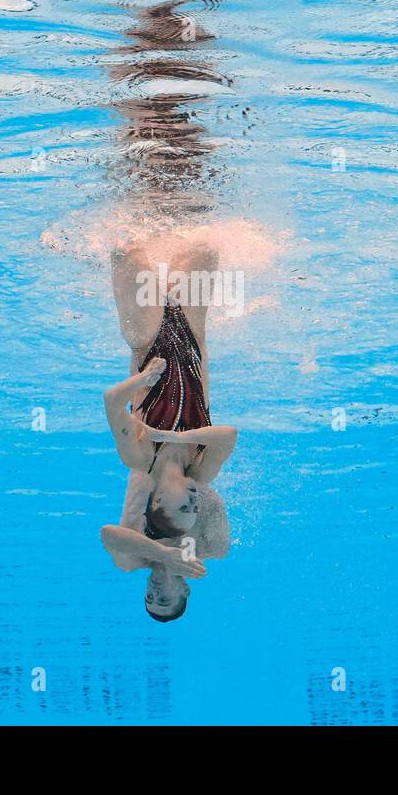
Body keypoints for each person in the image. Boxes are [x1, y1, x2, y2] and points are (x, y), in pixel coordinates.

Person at [100, 239, 238, 621]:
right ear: (185, 589)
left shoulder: (133, 557)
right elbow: (211, 478)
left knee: (126, 249)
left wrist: (162, 552)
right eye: (164, 600)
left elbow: (108, 534)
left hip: (151, 384)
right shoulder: (209, 546)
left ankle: (133, 206)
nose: (154, 593)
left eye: (148, 599)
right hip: (193, 384)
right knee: (203, 246)